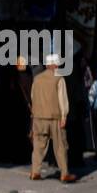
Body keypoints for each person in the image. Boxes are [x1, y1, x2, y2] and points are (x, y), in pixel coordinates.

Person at [30, 52, 77, 183]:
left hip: (38, 117)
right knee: (60, 146)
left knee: (38, 145)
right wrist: (64, 116)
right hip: (54, 117)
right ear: (56, 64)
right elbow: (63, 99)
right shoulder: (59, 78)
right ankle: (64, 173)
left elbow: (33, 97)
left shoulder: (37, 79)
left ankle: (35, 172)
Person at [0, 56, 33, 164]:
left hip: (5, 106)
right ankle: (18, 157)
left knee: (4, 131)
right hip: (17, 107)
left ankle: (3, 156)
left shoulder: (2, 73)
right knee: (18, 132)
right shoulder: (18, 70)